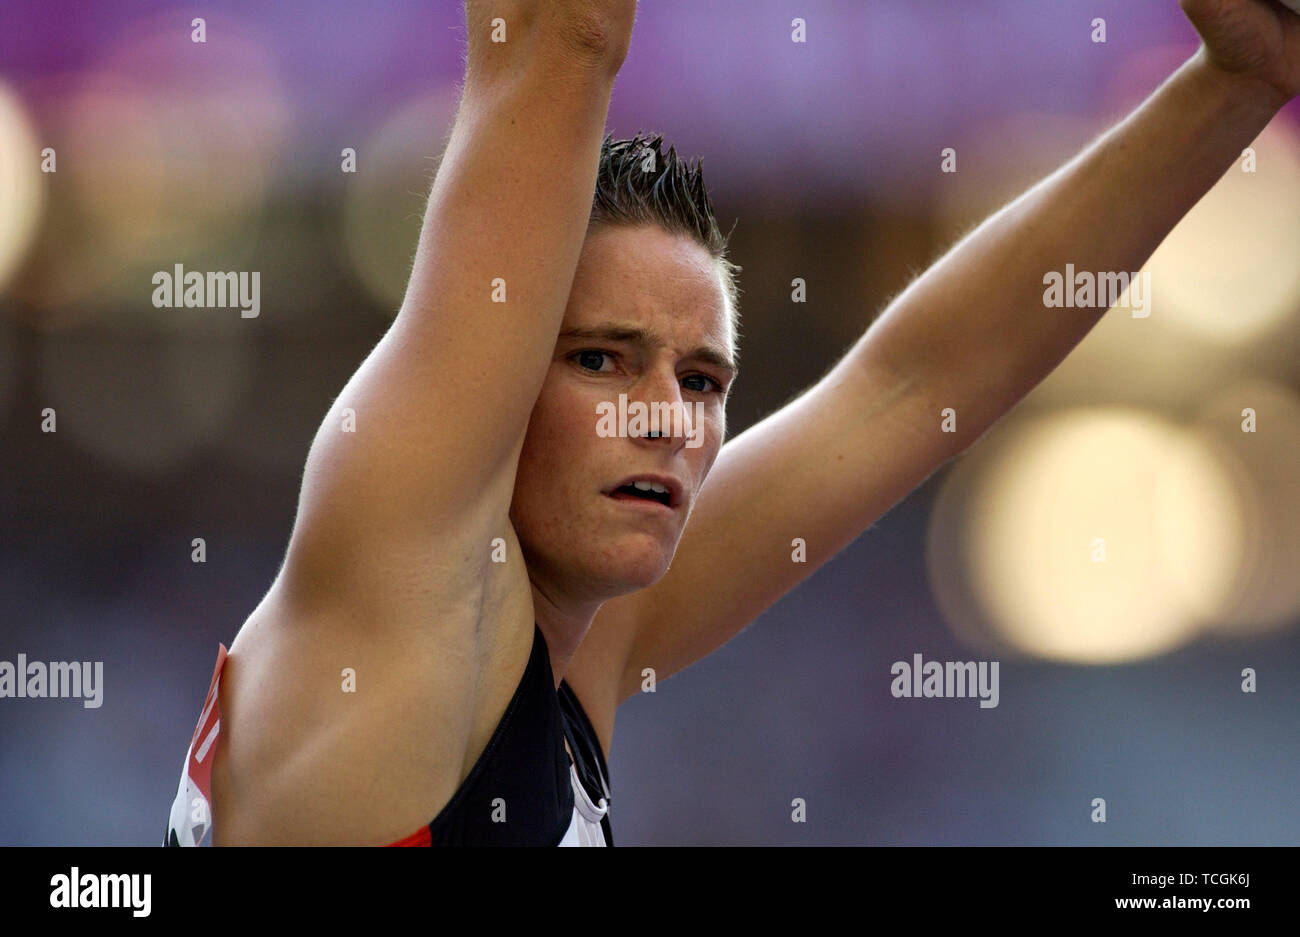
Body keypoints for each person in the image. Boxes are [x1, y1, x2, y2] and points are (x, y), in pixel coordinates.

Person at [167, 0, 1300, 845]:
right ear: (495, 383)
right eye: (603, 359)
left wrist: (1237, 84)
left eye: (704, 379)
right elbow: (557, 39)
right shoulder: (396, 576)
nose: (667, 416)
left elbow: (911, 385)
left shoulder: (571, 659)